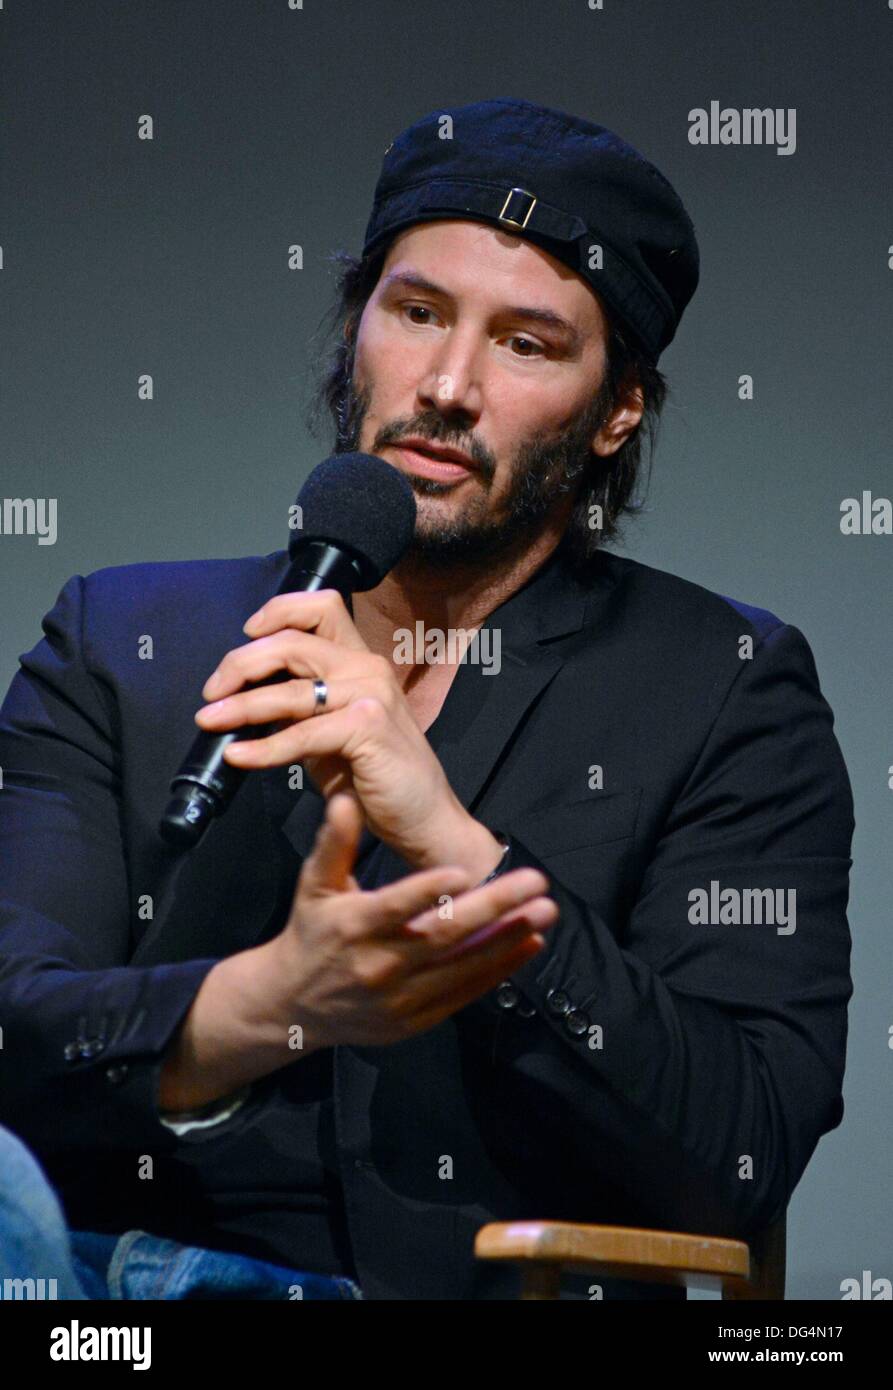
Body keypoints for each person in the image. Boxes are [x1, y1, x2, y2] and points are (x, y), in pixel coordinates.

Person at [0, 97, 854, 1301]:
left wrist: (455, 846)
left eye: (526, 343)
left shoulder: (723, 687)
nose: (446, 384)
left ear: (616, 411)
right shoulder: (121, 638)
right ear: (357, 330)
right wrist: (263, 1006)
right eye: (415, 313)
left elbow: (743, 1146)